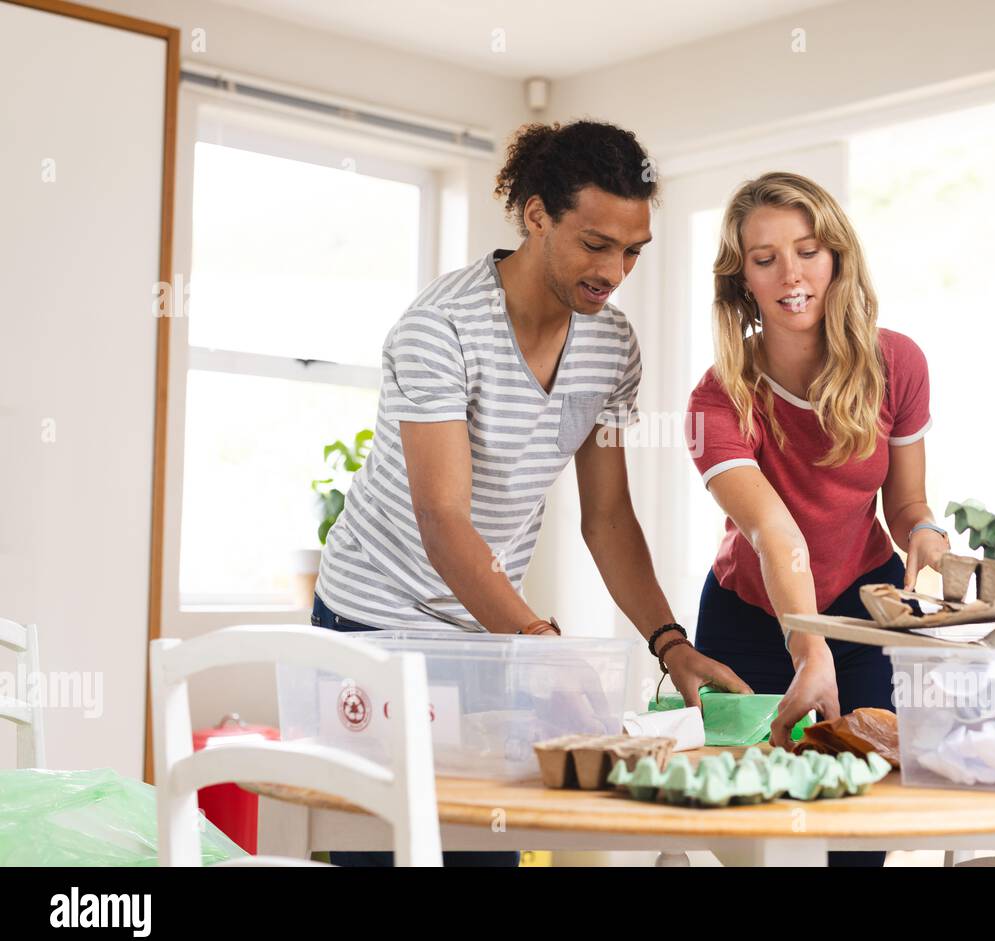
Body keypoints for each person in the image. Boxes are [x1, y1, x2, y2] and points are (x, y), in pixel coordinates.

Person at [312, 119, 748, 866]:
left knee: (489, 846)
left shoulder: (611, 348)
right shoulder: (439, 328)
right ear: (538, 215)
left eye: (633, 251)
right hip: (374, 627)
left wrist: (670, 643)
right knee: (388, 850)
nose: (614, 271)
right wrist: (543, 648)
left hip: (487, 639)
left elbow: (608, 517)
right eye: (595, 244)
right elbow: (443, 520)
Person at [685, 171, 949, 867]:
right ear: (742, 279)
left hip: (863, 616)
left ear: (837, 255)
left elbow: (906, 504)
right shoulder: (716, 400)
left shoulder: (898, 364)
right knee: (750, 833)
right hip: (748, 621)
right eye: (765, 259)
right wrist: (807, 645)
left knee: (858, 837)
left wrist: (927, 534)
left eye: (807, 250)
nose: (791, 274)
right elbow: (777, 533)